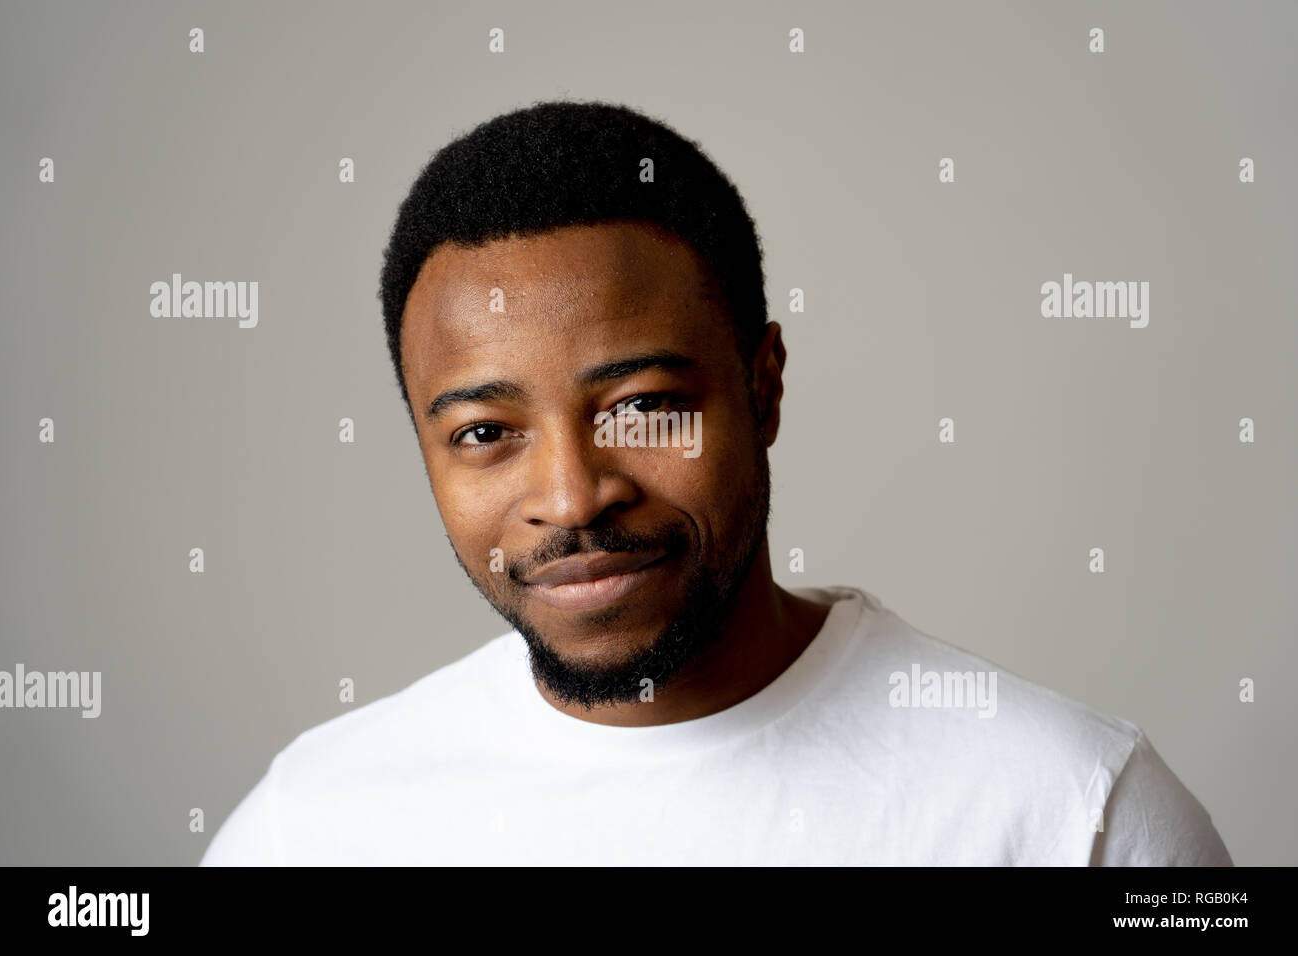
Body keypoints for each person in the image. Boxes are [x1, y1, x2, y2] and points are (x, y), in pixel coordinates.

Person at [201, 100, 1231, 865]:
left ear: (762, 385)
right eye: (485, 430)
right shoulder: (317, 820)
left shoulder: (1076, 810)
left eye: (641, 405)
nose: (571, 494)